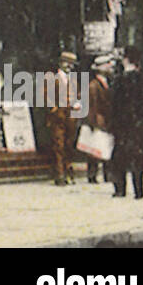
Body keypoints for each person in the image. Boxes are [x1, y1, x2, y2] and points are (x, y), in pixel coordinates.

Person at [108, 46, 143, 199]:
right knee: (137, 158)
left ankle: (120, 189)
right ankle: (138, 190)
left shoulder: (120, 80)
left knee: (119, 157)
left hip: (121, 124)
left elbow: (113, 104)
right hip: (138, 124)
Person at [46, 51, 80, 186]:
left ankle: (68, 172)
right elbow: (47, 98)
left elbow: (77, 96)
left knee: (69, 145)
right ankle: (60, 174)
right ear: (60, 63)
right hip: (58, 117)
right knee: (58, 145)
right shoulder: (52, 79)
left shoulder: (73, 80)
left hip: (70, 117)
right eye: (67, 62)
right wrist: (54, 110)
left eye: (71, 64)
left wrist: (77, 104)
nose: (69, 66)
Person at [83, 55, 114, 184]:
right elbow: (92, 105)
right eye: (108, 65)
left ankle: (105, 174)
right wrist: (93, 122)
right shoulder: (94, 86)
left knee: (104, 146)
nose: (110, 67)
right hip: (98, 119)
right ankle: (92, 174)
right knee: (95, 147)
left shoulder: (105, 83)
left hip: (105, 119)